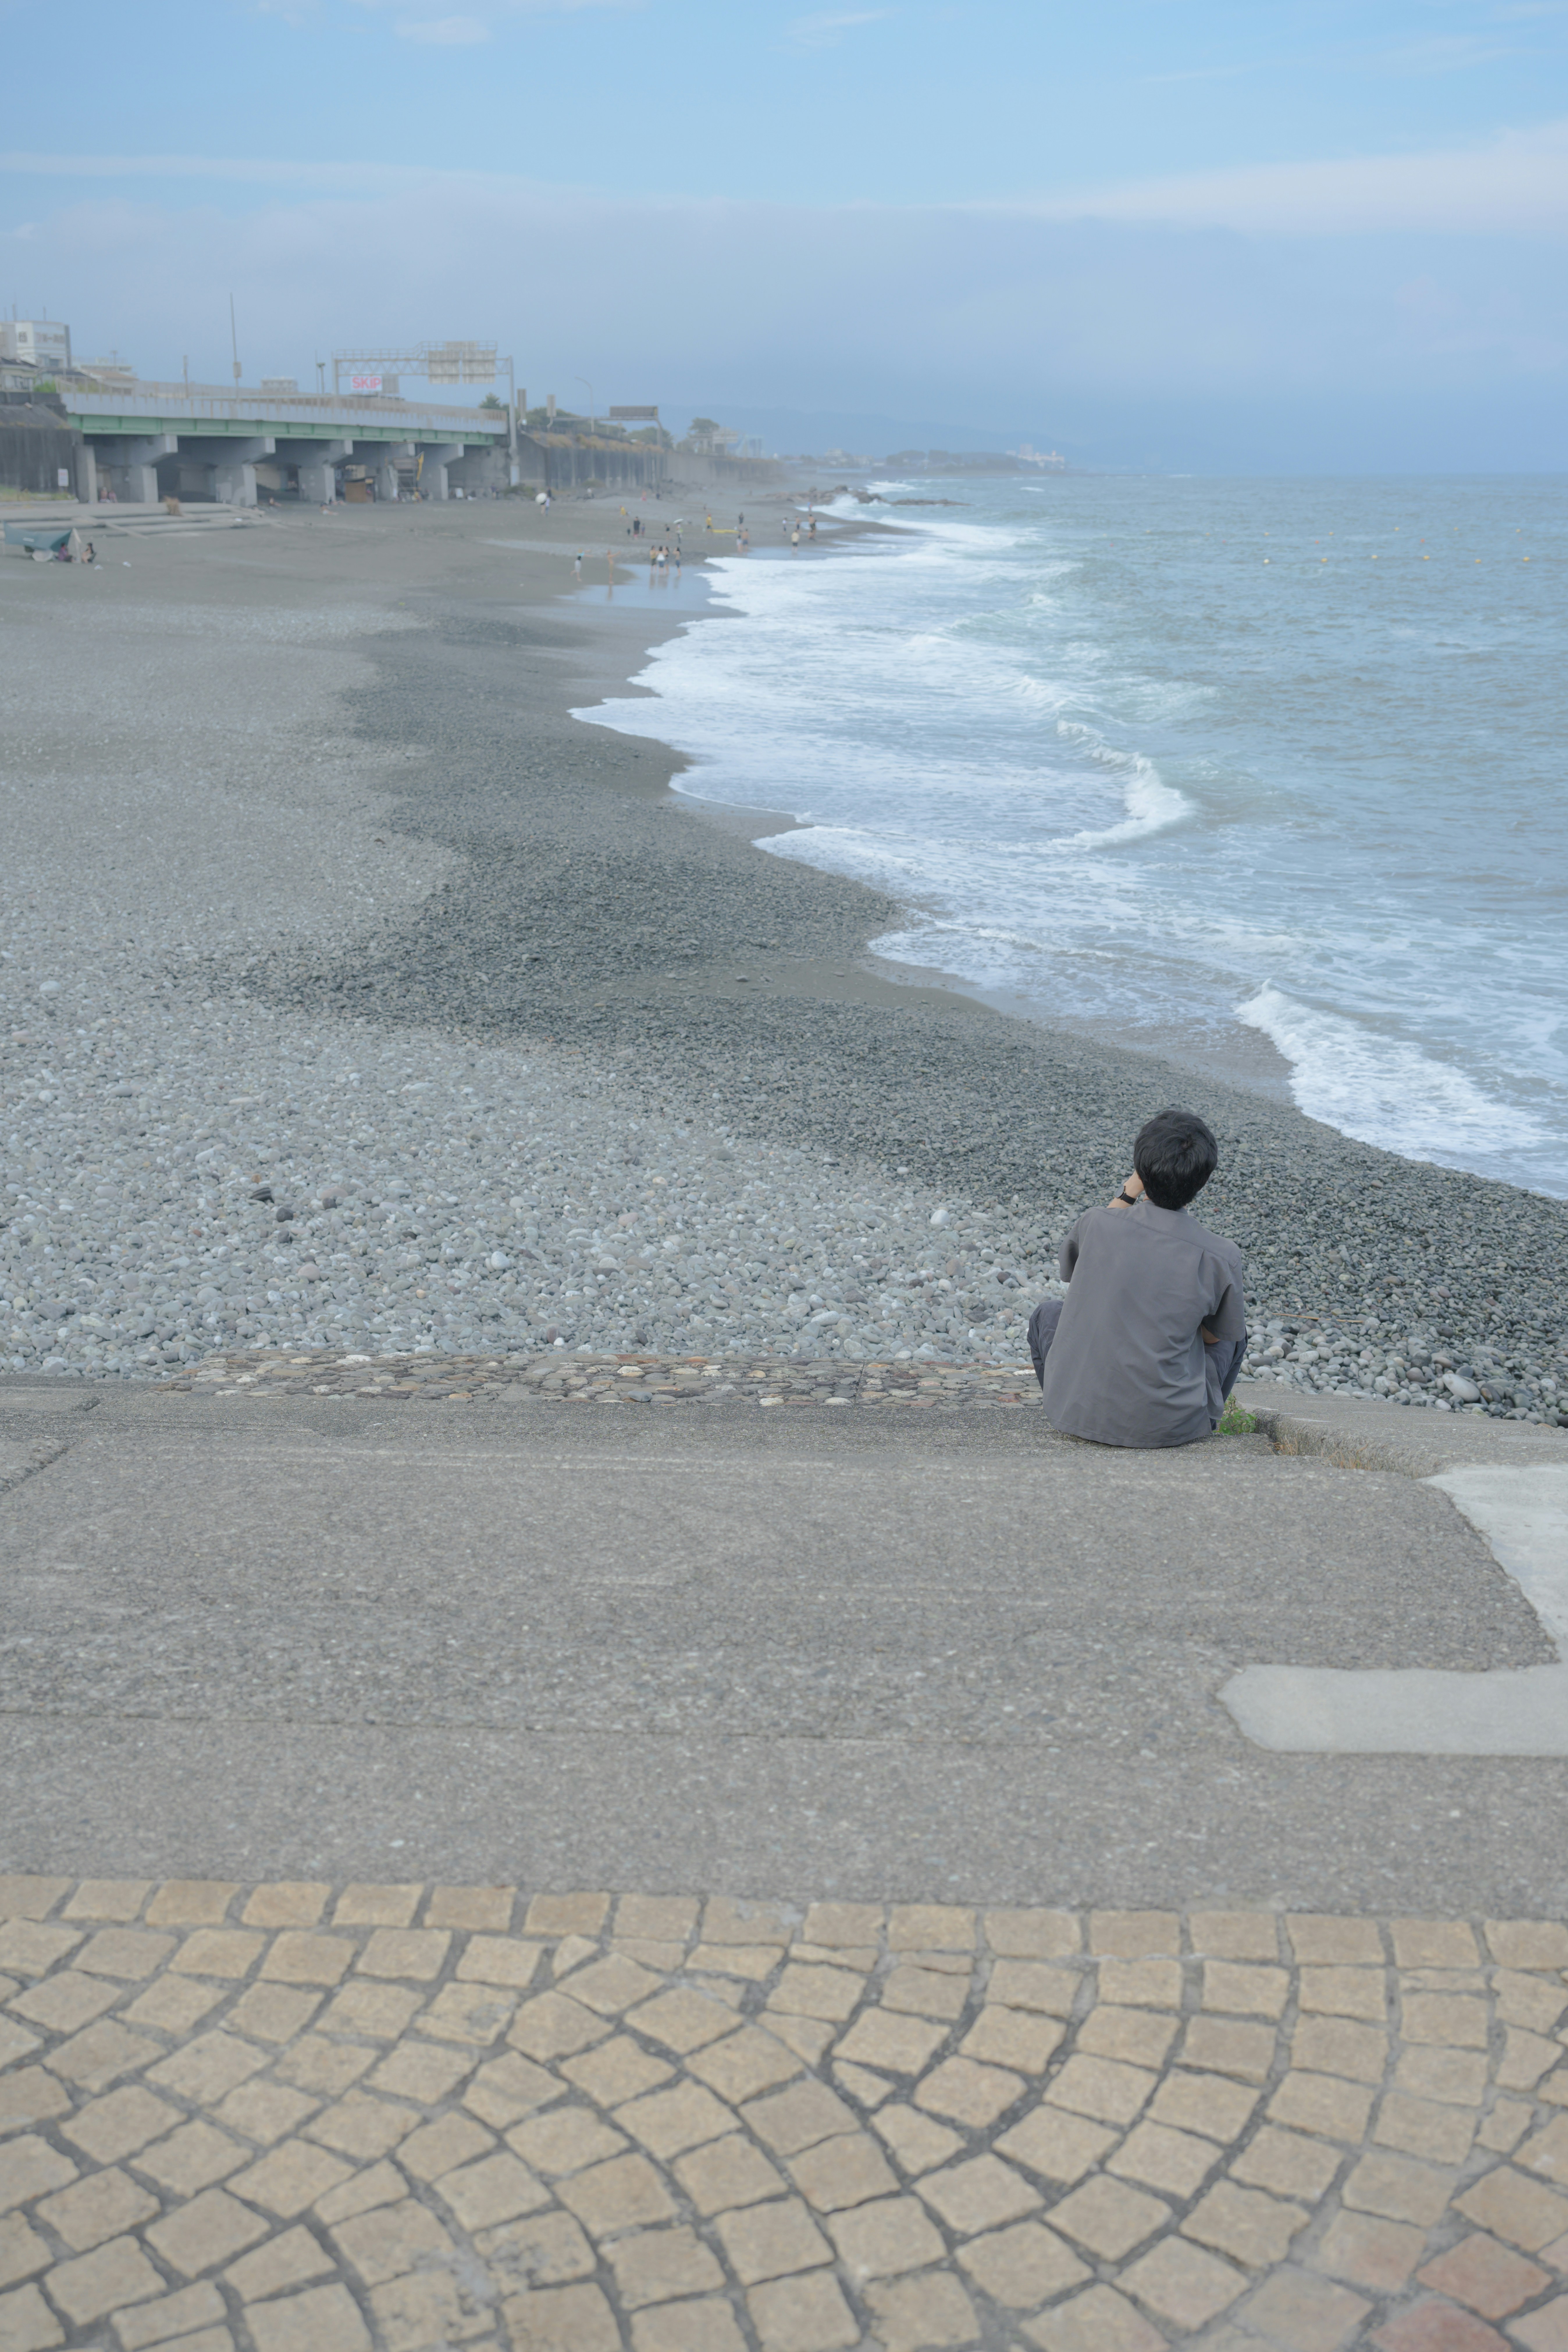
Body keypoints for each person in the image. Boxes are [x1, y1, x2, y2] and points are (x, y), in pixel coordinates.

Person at [1028, 1108, 1246, 1447]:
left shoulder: (1097, 1222)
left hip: (1074, 1414)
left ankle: (1077, 1410)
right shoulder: (1221, 1255)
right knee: (1235, 1334)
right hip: (1169, 1428)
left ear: (1141, 1170)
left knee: (1048, 1313)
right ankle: (1207, 1418)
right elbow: (1213, 1339)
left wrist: (1129, 1192)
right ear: (1202, 1181)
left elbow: (1078, 1271)